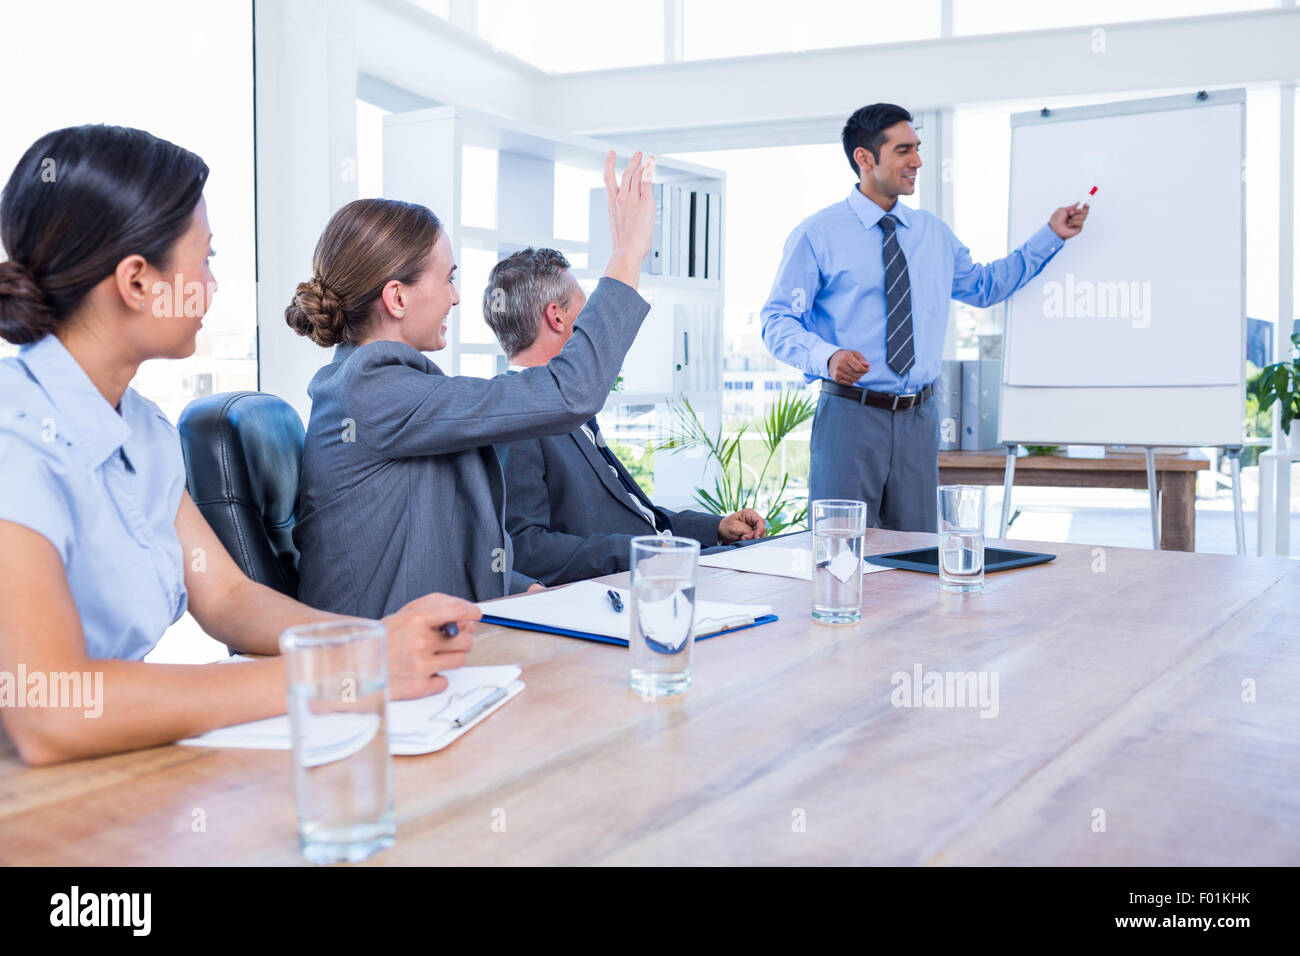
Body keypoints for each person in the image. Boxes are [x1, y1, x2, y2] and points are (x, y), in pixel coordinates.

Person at [0, 125, 477, 767]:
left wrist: (368, 643)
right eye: (205, 259)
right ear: (138, 281)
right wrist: (339, 673)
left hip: (101, 772)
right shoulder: (16, 433)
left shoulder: (141, 429)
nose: (214, 286)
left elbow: (225, 597)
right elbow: (51, 711)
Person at [290, 152, 659, 615]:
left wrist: (521, 588)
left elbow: (445, 538)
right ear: (397, 297)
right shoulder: (371, 389)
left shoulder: (384, 384)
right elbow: (572, 392)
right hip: (379, 666)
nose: (456, 297)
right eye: (447, 279)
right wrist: (627, 253)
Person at [761, 103, 1089, 531]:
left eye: (917, 148)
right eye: (903, 150)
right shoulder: (818, 234)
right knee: (841, 552)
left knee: (915, 557)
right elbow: (777, 319)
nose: (917, 161)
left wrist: (1051, 236)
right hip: (850, 418)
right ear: (864, 158)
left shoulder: (933, 233)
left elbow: (985, 286)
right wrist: (827, 356)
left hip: (919, 419)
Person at [485, 248, 766, 586]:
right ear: (557, 318)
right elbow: (528, 549)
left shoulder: (568, 409)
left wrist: (714, 528)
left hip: (657, 571)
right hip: (629, 585)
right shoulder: (519, 417)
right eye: (587, 312)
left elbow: (631, 516)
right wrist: (640, 553)